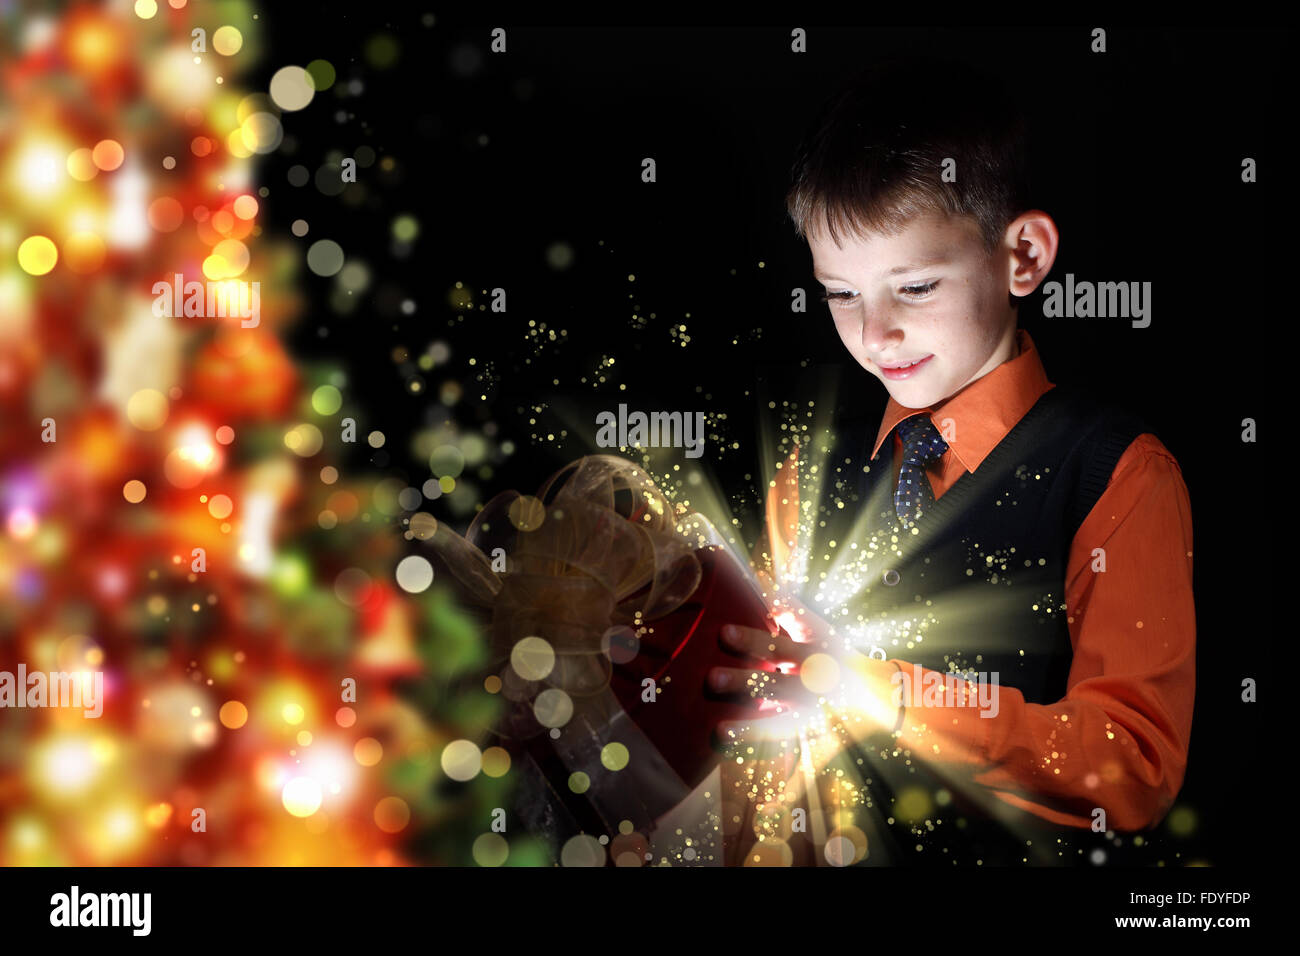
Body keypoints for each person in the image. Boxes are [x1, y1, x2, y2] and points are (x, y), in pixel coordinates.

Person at [707, 55, 1195, 865]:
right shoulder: (810, 465)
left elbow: (1133, 767)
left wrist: (884, 692)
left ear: (1025, 256)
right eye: (841, 293)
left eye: (918, 286)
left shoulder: (1118, 473)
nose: (875, 332)